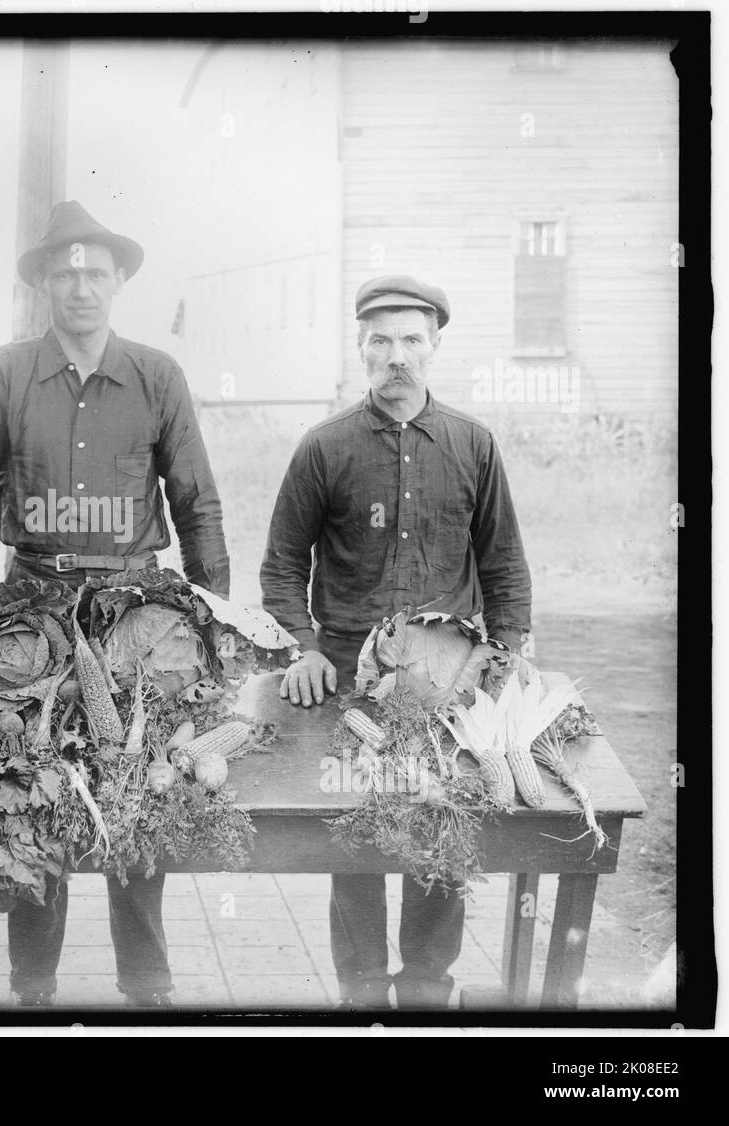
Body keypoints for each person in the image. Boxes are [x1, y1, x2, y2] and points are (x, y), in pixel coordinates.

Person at [0, 201, 230, 1006]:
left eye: (97, 271)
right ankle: (34, 988)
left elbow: (196, 503)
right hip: (32, 609)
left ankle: (147, 986)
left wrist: (215, 622)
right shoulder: (4, 375)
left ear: (120, 279)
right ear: (44, 284)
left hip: (138, 609)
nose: (82, 285)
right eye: (66, 272)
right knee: (34, 789)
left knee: (139, 780)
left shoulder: (158, 376)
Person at [259, 274, 532, 1010]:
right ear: (360, 347)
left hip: (449, 686)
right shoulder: (324, 448)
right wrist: (304, 647)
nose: (396, 357)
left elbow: (504, 563)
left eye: (412, 339)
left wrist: (504, 658)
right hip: (351, 683)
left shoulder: (472, 444)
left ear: (436, 345)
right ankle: (358, 994)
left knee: (441, 828)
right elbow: (283, 565)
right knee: (356, 834)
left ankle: (425, 995)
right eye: (380, 340)